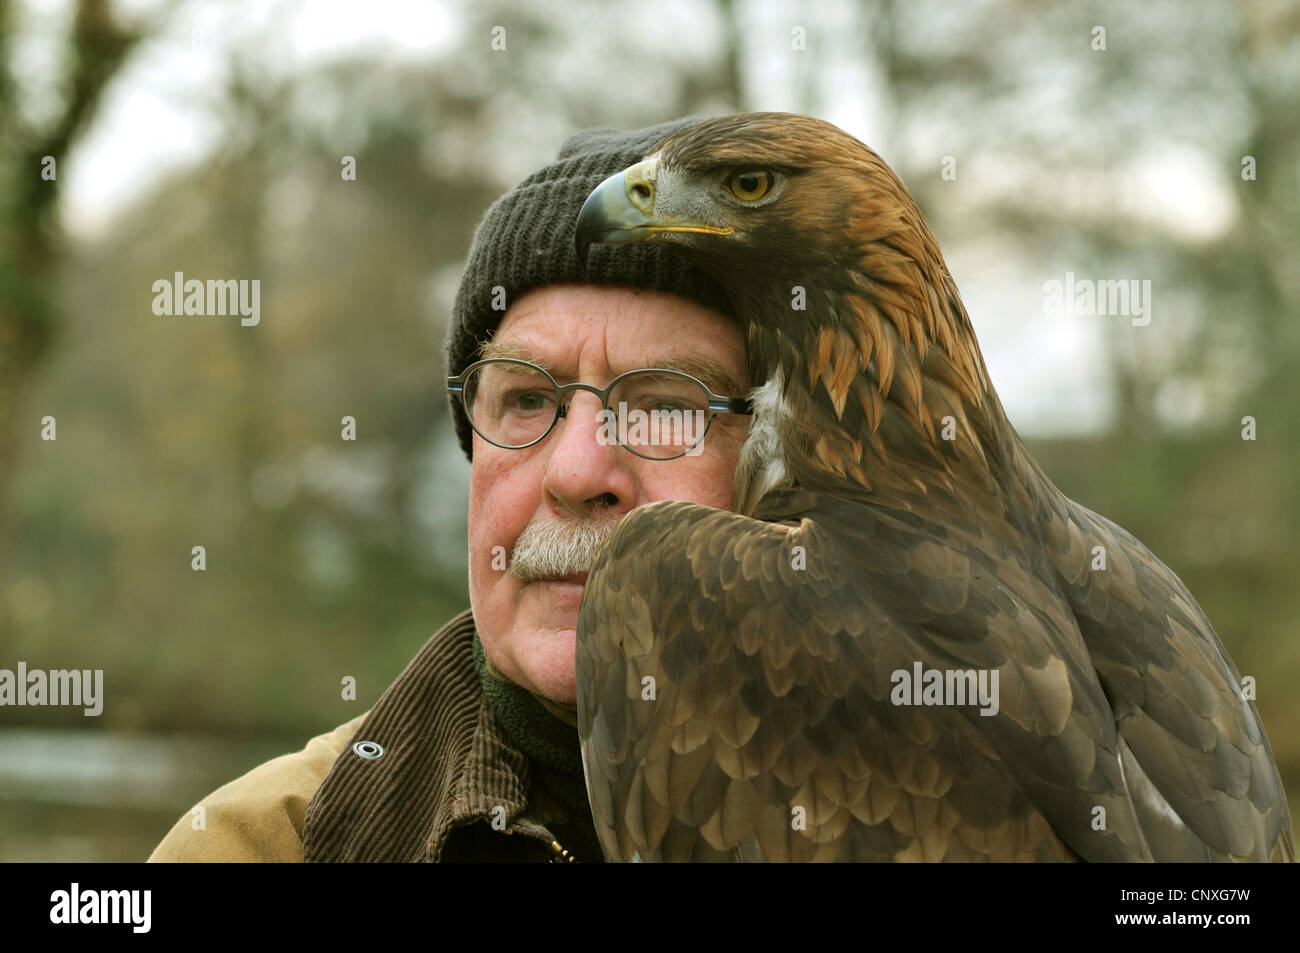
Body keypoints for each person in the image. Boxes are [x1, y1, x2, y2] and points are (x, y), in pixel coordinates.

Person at [148, 117, 751, 862]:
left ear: (788, 472)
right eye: (527, 400)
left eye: (664, 407)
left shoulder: (926, 827)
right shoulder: (265, 846)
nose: (575, 473)